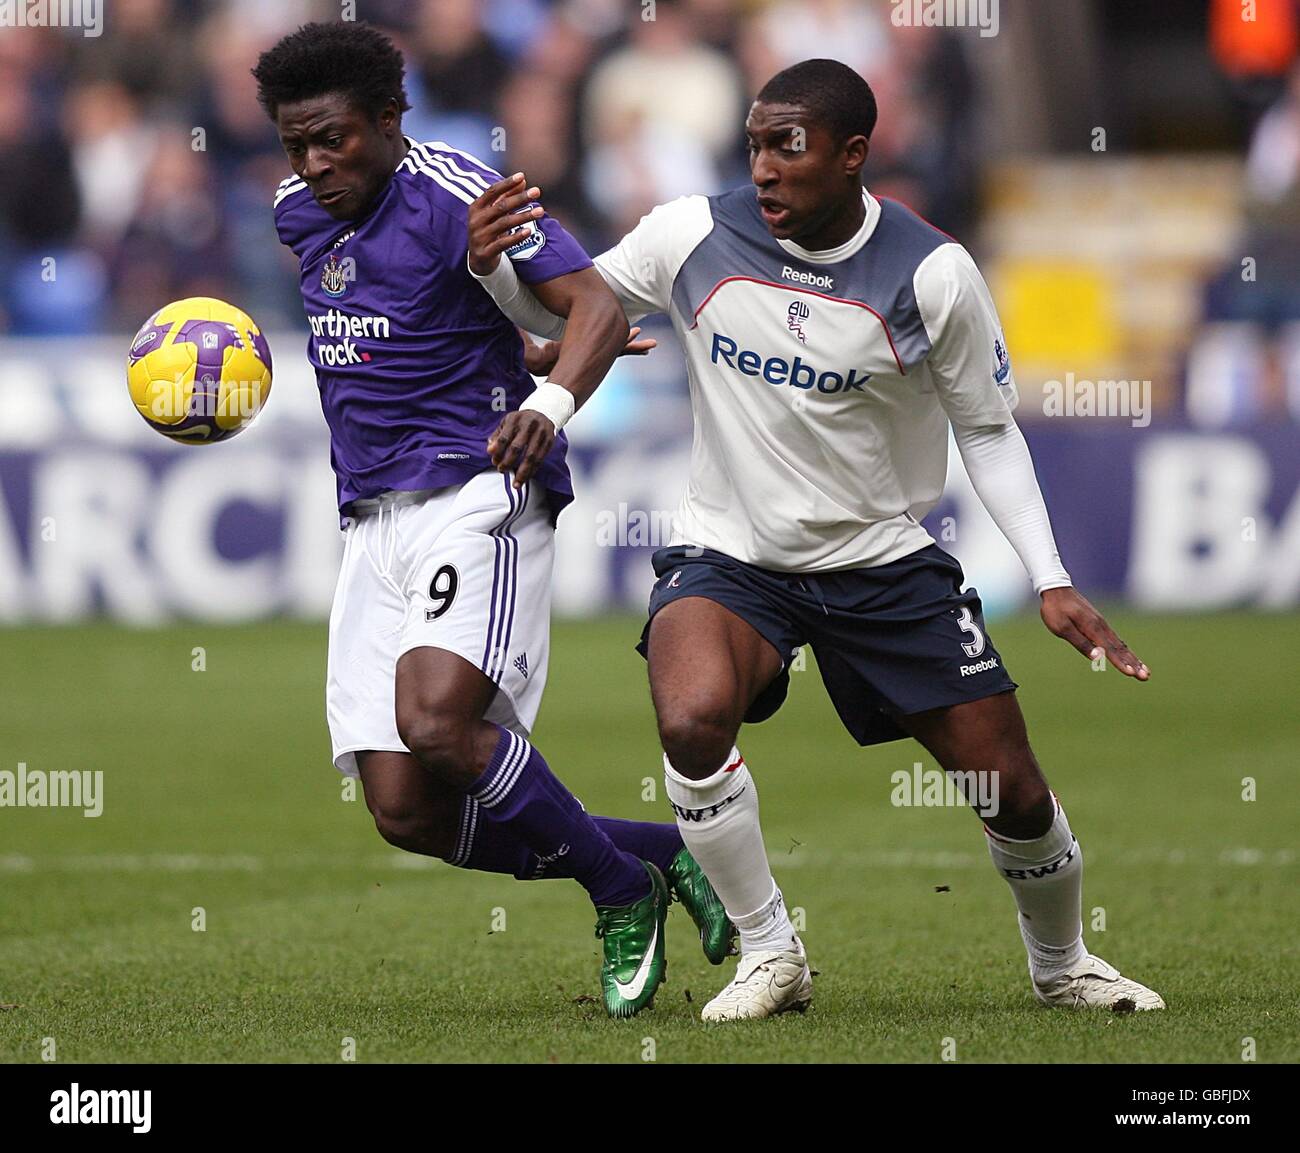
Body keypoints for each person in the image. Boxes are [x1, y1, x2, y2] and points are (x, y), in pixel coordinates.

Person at [468, 58, 1166, 1022]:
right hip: (733, 557)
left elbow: (989, 428)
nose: (761, 167)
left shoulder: (934, 274)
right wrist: (495, 267)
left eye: (785, 145)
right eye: (754, 143)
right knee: (690, 716)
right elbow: (573, 313)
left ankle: (1063, 963)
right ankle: (771, 951)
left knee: (1010, 789)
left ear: (851, 155)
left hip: (881, 562)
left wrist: (1050, 577)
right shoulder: (691, 234)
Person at [252, 21, 730, 1019]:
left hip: (481, 490)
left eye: (335, 137)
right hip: (369, 520)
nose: (316, 162)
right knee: (403, 808)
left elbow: (594, 307)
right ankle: (651, 856)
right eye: (297, 143)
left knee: (438, 721)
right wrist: (514, 331)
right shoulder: (297, 213)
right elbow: (418, 320)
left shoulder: (463, 190)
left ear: (389, 118)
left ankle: (614, 895)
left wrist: (541, 395)